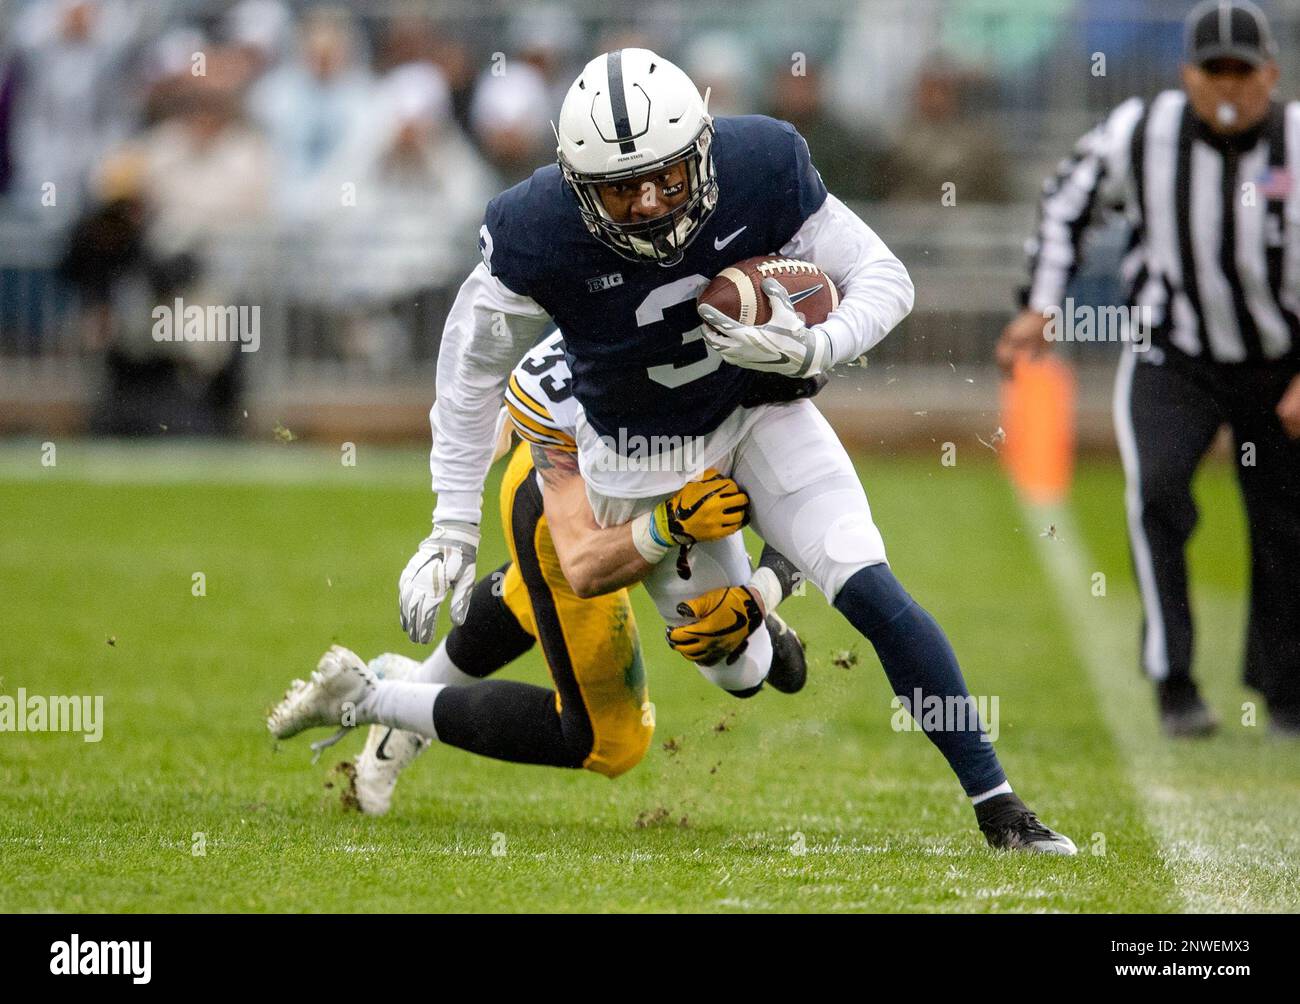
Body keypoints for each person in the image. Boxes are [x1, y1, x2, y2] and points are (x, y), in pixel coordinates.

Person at [280, 49, 1074, 852]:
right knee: (705, 678)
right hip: (628, 462)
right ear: (578, 189)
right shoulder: (537, 243)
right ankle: (394, 697)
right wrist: (452, 527)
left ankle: (1001, 808)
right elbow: (473, 386)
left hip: (755, 409)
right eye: (623, 189)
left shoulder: (761, 161)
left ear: (701, 149)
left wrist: (812, 350)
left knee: (862, 582)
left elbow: (883, 277)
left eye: (667, 177)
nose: (653, 204)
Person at [270, 361, 807, 816]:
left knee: (744, 670)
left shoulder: (741, 338)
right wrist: (668, 523)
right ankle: (369, 699)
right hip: (565, 502)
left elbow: (813, 497)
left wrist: (763, 593)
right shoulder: (626, 304)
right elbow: (588, 564)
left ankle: (409, 691)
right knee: (610, 739)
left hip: (639, 489)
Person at [997, 0, 1300, 738]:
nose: (1229, 88)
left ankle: (1286, 688)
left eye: (1243, 72)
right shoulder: (1142, 132)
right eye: (1213, 72)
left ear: (1272, 74)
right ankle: (1175, 682)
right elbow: (1067, 202)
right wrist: (1041, 303)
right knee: (1158, 491)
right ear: (1186, 76)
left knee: (1285, 522)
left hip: (1284, 360)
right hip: (1176, 353)